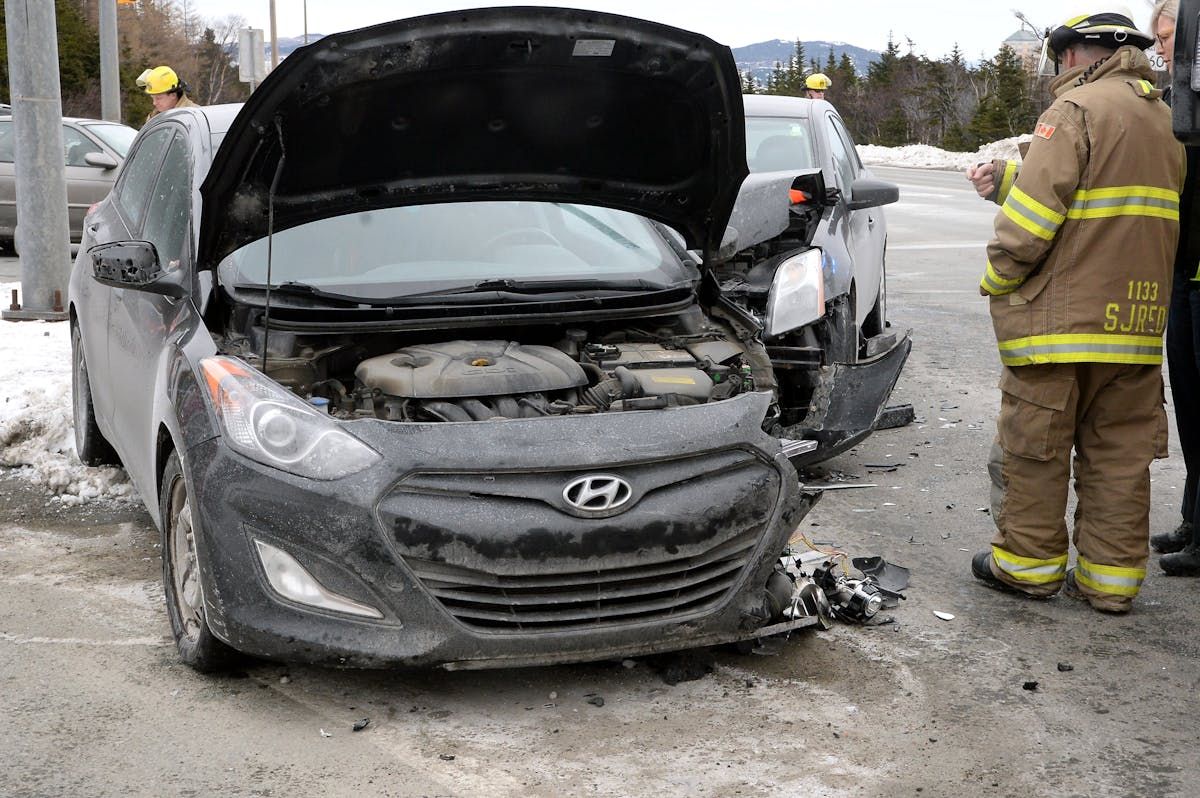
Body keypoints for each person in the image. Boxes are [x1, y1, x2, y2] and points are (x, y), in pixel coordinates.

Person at [968, 10, 1184, 613]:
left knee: (1035, 452)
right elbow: (1105, 202)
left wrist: (998, 279)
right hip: (1134, 330)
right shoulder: (1165, 118)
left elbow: (1035, 220)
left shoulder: (1074, 112)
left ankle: (1028, 569)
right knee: (1118, 459)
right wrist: (1016, 176)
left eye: (1063, 55)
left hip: (1059, 326)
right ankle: (1110, 585)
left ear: (1080, 53)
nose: (1060, 67)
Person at [1143, 0, 1200, 575]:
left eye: (1167, 39)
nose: (1161, 50)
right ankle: (1194, 520)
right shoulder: (1172, 109)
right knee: (1191, 411)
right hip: (1185, 275)